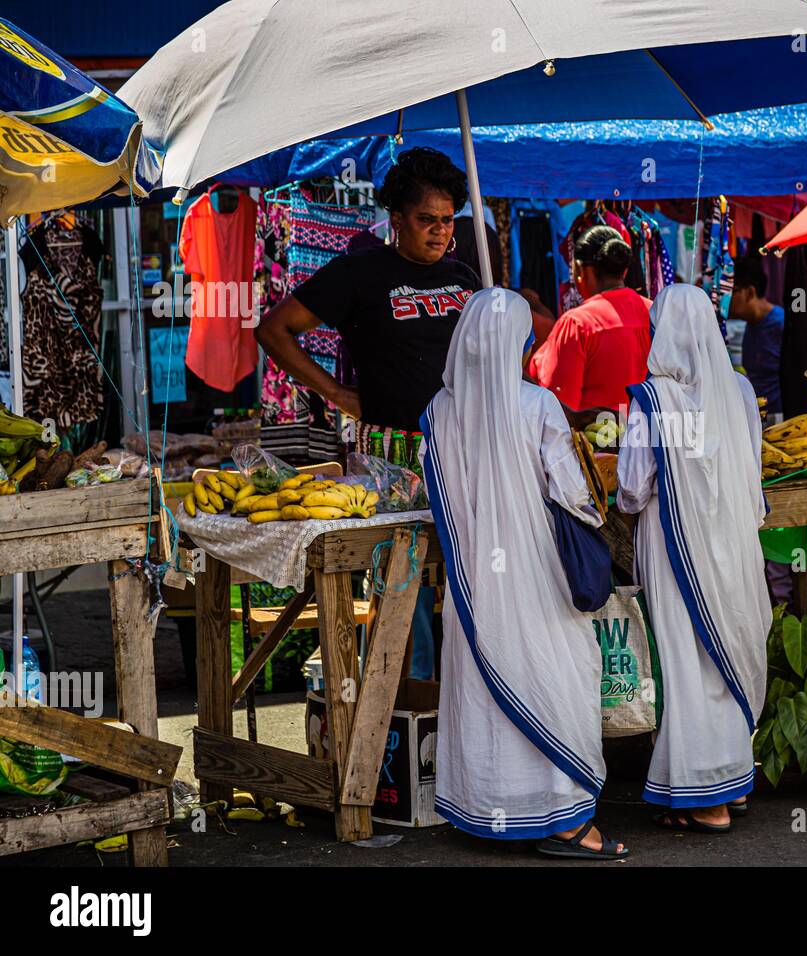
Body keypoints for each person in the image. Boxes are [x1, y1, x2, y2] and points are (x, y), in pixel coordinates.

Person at [255, 147, 480, 684]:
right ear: (397, 220)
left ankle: (462, 706)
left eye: (448, 221)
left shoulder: (466, 276)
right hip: (393, 458)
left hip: (462, 450)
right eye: (427, 220)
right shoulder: (360, 272)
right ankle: (400, 719)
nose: (440, 232)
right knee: (399, 589)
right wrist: (337, 393)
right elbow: (274, 330)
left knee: (466, 581)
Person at [418, 289, 628, 860]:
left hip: (474, 581)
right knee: (555, 678)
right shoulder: (537, 406)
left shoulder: (437, 412)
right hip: (536, 576)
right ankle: (562, 821)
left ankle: (487, 808)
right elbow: (575, 497)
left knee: (482, 689)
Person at [618, 283, 769, 832]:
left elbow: (633, 490)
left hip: (673, 543)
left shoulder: (654, 400)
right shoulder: (738, 392)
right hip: (730, 542)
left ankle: (706, 798)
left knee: (685, 659)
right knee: (720, 651)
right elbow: (750, 478)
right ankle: (730, 776)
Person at [528, 225, 652, 420]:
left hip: (598, 445)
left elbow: (557, 406)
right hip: (649, 442)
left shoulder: (577, 323)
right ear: (625, 271)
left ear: (580, 270)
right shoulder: (655, 313)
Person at [729, 255, 784, 415]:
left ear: (750, 293)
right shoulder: (750, 325)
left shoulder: (781, 324)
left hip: (782, 423)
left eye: (730, 291)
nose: (724, 300)